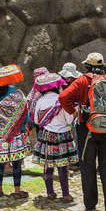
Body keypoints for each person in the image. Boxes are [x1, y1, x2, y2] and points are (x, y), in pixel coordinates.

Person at [59, 53, 106, 211]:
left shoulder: (82, 80)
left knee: (87, 166)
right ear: (103, 66)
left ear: (87, 66)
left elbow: (63, 97)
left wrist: (74, 112)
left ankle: (90, 204)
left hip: (86, 128)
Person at [0, 64, 31, 199]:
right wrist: (19, 128)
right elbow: (25, 115)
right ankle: (17, 190)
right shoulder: (18, 94)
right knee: (16, 163)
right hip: (15, 135)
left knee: (0, 163)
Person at [32, 72, 78, 202]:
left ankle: (50, 192)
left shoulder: (40, 101)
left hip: (46, 136)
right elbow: (69, 120)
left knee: (48, 165)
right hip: (62, 136)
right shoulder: (62, 100)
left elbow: (36, 120)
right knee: (63, 166)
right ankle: (65, 194)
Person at [58, 62, 82, 164]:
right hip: (65, 112)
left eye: (69, 77)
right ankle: (68, 157)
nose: (67, 79)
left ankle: (77, 158)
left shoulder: (79, 82)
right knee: (66, 136)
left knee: (77, 135)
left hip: (77, 111)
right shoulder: (60, 83)